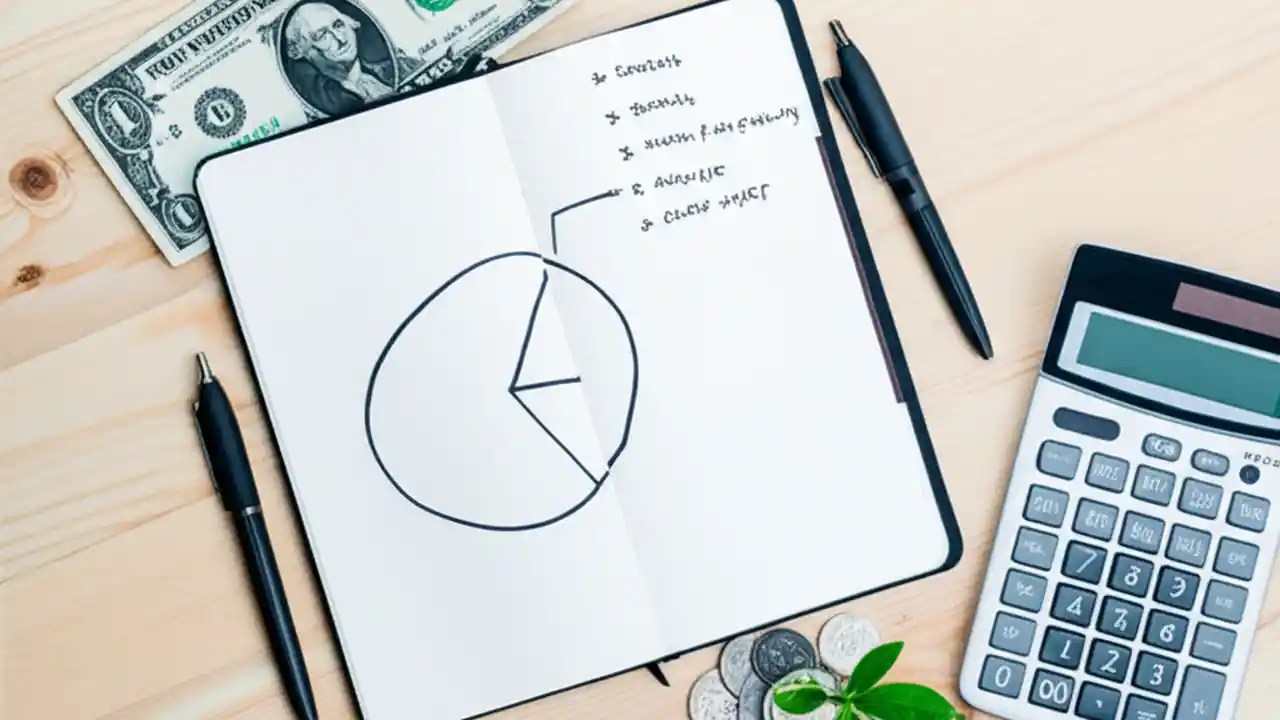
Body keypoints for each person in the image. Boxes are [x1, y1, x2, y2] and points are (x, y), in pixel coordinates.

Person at [283, 2, 396, 116]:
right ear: (301, 51)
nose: (340, 39)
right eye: (322, 35)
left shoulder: (401, 68)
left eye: (338, 25)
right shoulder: (329, 103)